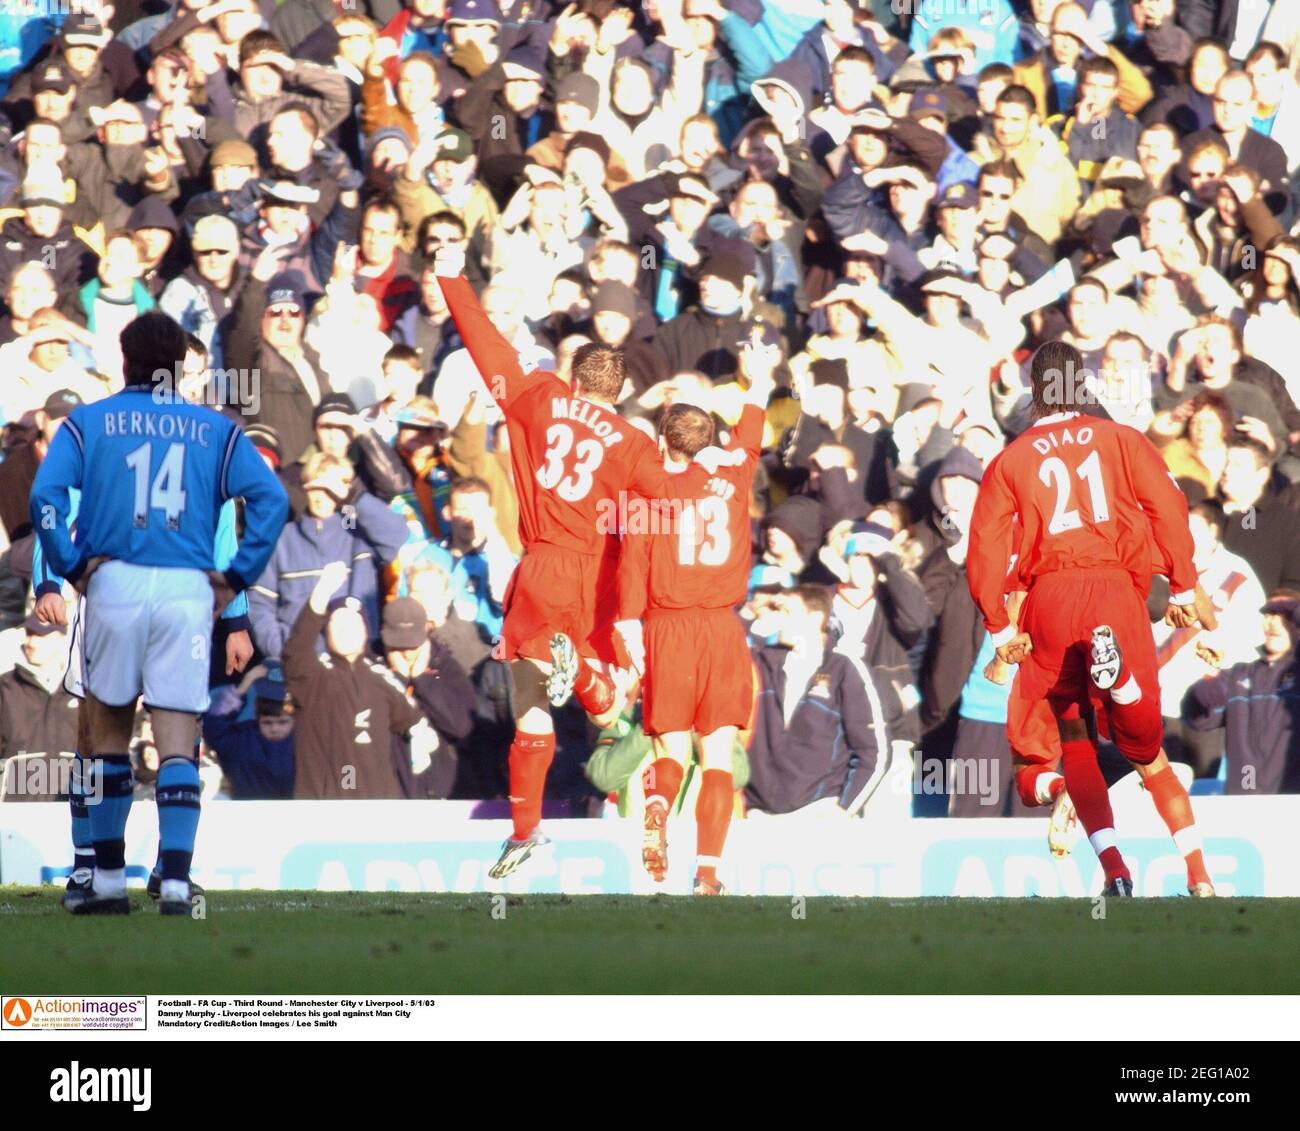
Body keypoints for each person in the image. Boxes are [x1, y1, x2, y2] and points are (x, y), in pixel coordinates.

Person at [434, 243, 724, 878]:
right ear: (618, 394)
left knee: (529, 707)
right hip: (598, 575)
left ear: (573, 381)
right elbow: (672, 506)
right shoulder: (633, 443)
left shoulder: (537, 397)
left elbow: (484, 345)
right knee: (610, 707)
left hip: (538, 565)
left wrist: (452, 275)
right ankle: (585, 683)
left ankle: (524, 830)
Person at [29, 310, 288, 914]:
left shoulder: (88, 423)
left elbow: (45, 497)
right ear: (178, 366)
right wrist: (239, 580)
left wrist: (68, 566)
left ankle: (107, 880)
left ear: (125, 360)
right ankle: (174, 880)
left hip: (112, 583)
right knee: (178, 739)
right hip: (186, 589)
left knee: (105, 739)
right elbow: (270, 499)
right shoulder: (215, 430)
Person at [966, 339, 1218, 897]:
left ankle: (1116, 873)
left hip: (1049, 599)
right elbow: (1169, 508)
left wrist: (1001, 629)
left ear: (1035, 392)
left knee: (1075, 738)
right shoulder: (1122, 440)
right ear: (1085, 386)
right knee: (1146, 747)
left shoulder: (1009, 459)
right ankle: (1199, 876)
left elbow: (982, 546)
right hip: (1113, 591)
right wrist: (1182, 581)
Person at [615, 343, 775, 895]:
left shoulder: (649, 491)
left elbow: (632, 566)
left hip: (666, 627)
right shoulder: (734, 476)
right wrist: (755, 380)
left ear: (663, 443)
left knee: (670, 751)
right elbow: (752, 433)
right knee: (718, 757)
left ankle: (658, 804)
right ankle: (707, 872)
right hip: (721, 628)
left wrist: (628, 627)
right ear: (710, 439)